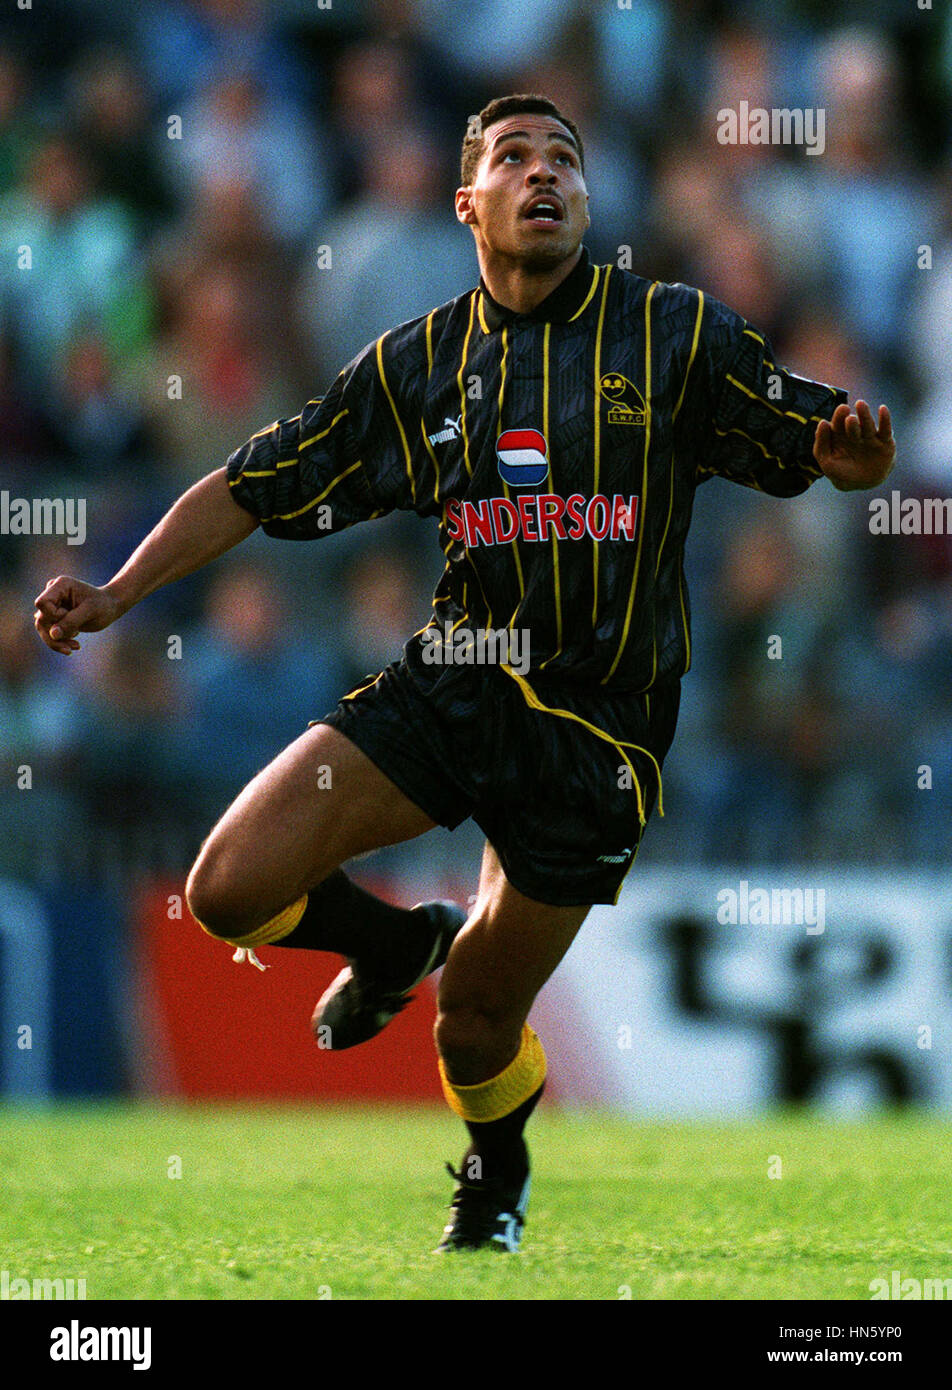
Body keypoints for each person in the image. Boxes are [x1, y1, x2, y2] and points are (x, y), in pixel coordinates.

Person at [34, 93, 896, 1254]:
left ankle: (495, 1169)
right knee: (230, 887)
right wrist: (119, 591)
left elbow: (814, 439)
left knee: (474, 1021)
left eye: (565, 160)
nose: (543, 174)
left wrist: (851, 461)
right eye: (512, 157)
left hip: (596, 734)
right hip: (453, 684)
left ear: (586, 200)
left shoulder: (675, 333)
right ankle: (389, 939)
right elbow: (252, 479)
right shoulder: (418, 364)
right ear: (467, 204)